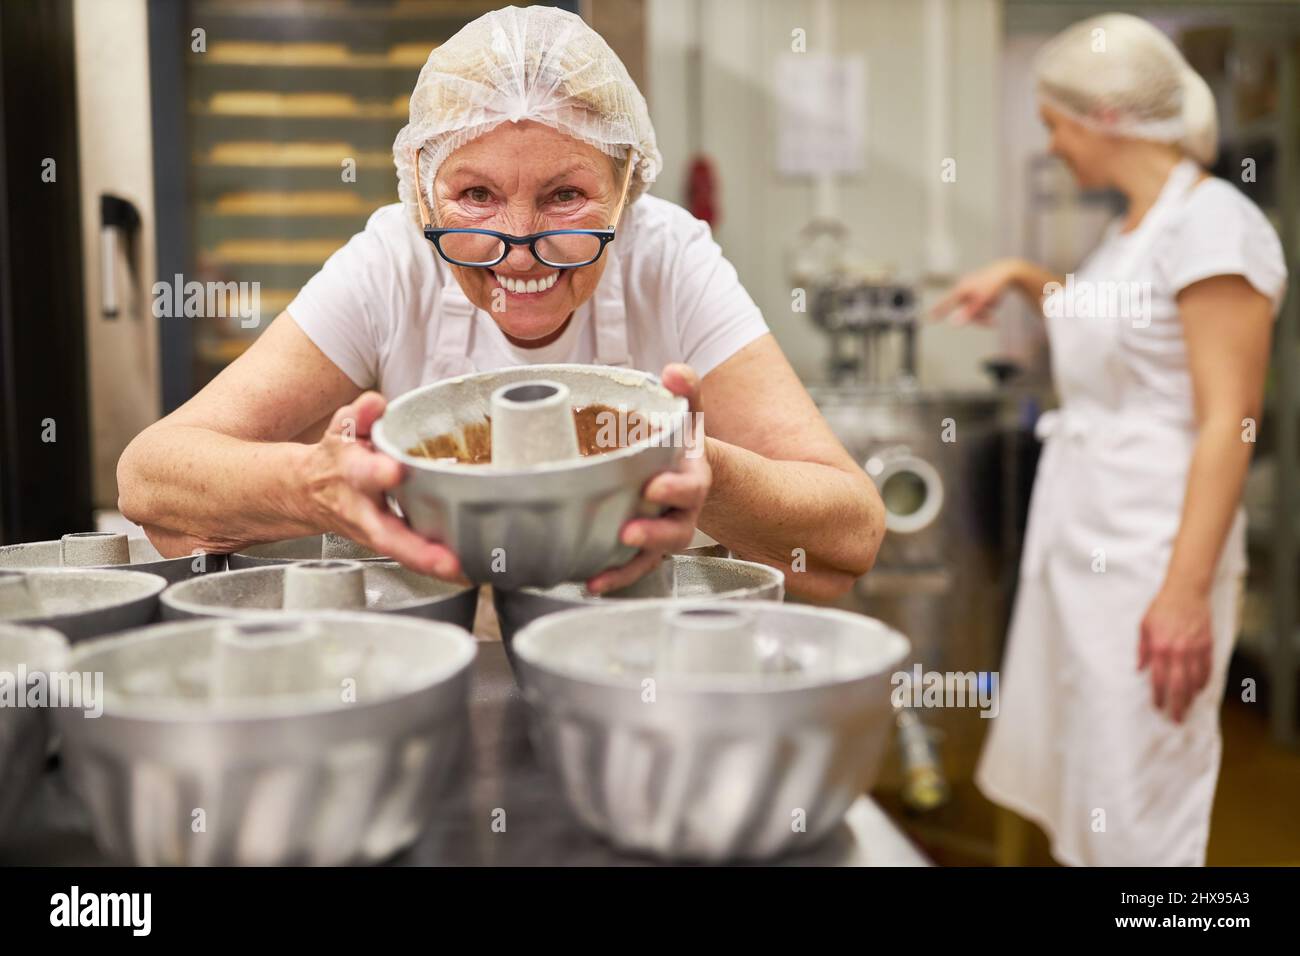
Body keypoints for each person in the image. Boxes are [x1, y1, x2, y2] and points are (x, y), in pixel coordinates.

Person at [117, 5, 883, 600]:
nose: (519, 244)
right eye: (476, 194)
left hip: (630, 674)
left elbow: (850, 535)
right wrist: (314, 487)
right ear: (424, 193)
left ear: (626, 189)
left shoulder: (668, 259)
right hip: (430, 663)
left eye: (566, 195)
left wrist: (705, 472)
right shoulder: (393, 260)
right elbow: (150, 480)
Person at [934, 13, 1287, 866]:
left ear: (1106, 117)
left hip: (1151, 559)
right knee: (1089, 788)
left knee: (1138, 808)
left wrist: (1183, 596)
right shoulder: (1137, 229)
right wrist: (1023, 279)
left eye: (1055, 124)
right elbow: (1116, 327)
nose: (1053, 147)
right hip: (1087, 548)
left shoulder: (1216, 228)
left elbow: (1228, 421)